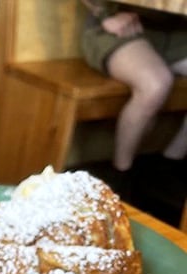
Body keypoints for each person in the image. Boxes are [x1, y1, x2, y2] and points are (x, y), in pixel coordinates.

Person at [80, 1, 187, 192]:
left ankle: (169, 164)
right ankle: (120, 175)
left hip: (178, 31)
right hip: (122, 24)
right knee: (156, 84)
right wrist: (105, 15)